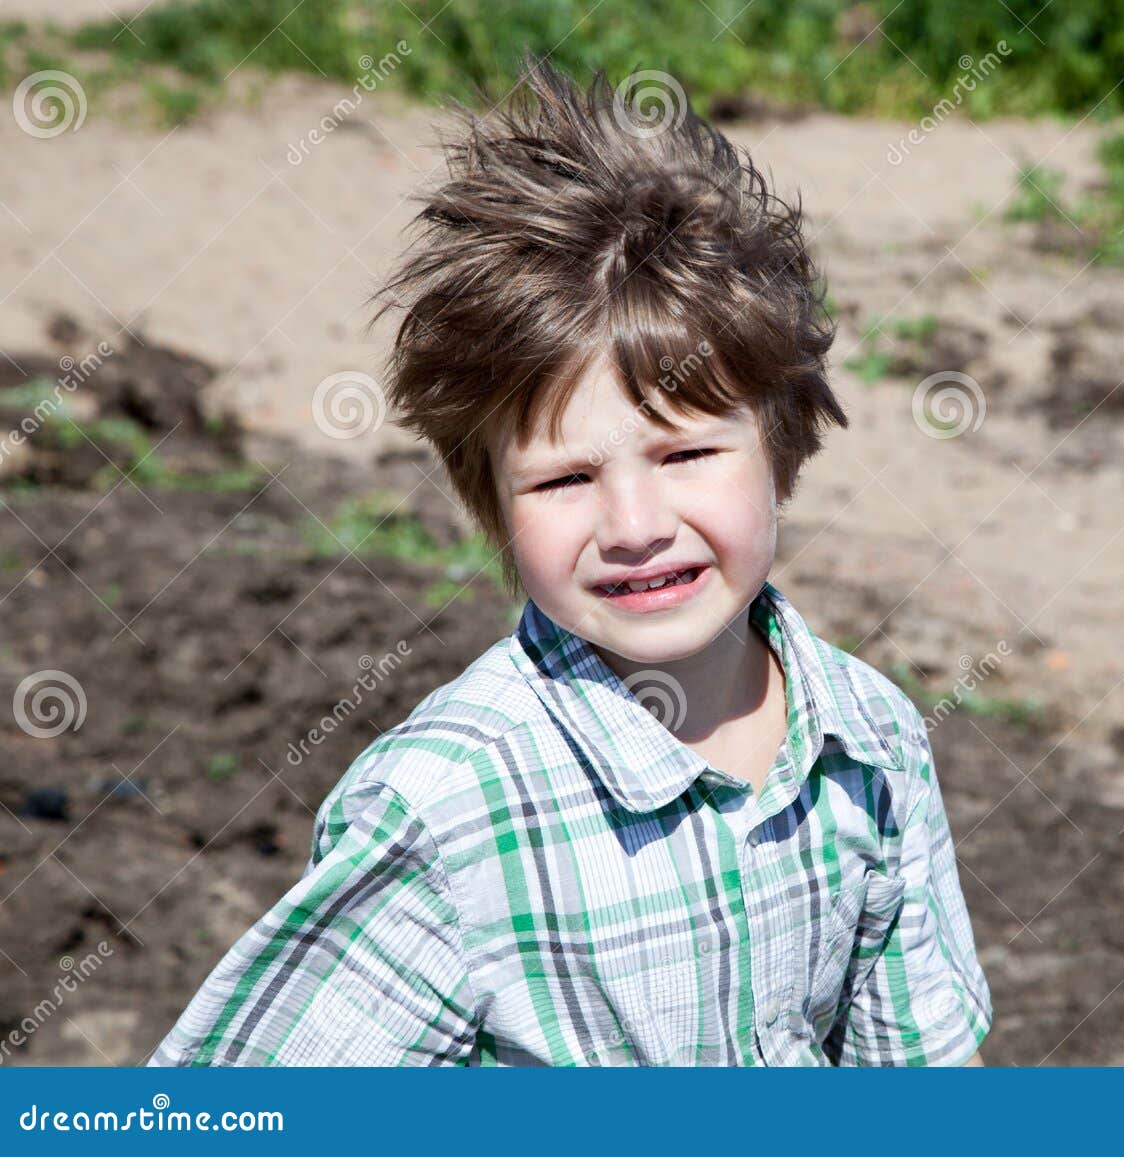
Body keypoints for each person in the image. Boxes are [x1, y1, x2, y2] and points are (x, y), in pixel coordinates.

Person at [148, 55, 991, 1067]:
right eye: (562, 480)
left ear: (781, 449)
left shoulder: (872, 738)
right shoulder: (451, 807)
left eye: (684, 454)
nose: (632, 522)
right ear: (494, 506)